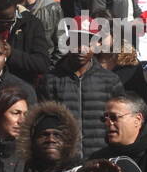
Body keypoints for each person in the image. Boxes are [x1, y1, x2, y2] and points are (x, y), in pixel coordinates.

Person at [36, 22, 125, 156]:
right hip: (63, 161)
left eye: (87, 43)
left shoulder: (111, 81)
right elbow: (42, 122)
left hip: (101, 157)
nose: (81, 49)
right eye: (76, 42)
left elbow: (120, 121)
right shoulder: (50, 80)